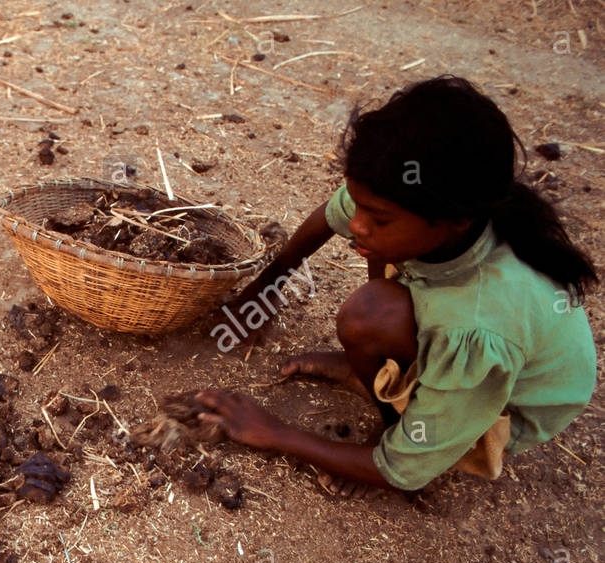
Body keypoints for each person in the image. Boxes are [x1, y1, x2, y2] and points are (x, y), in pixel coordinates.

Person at [195, 76, 598, 494]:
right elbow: (333, 214)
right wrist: (262, 289)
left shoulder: (477, 324)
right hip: (463, 332)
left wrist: (275, 433)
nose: (356, 225)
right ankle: (379, 374)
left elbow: (405, 471)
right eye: (360, 204)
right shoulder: (416, 200)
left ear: (456, 219)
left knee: (370, 315)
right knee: (377, 274)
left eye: (378, 217)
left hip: (506, 405)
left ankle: (404, 415)